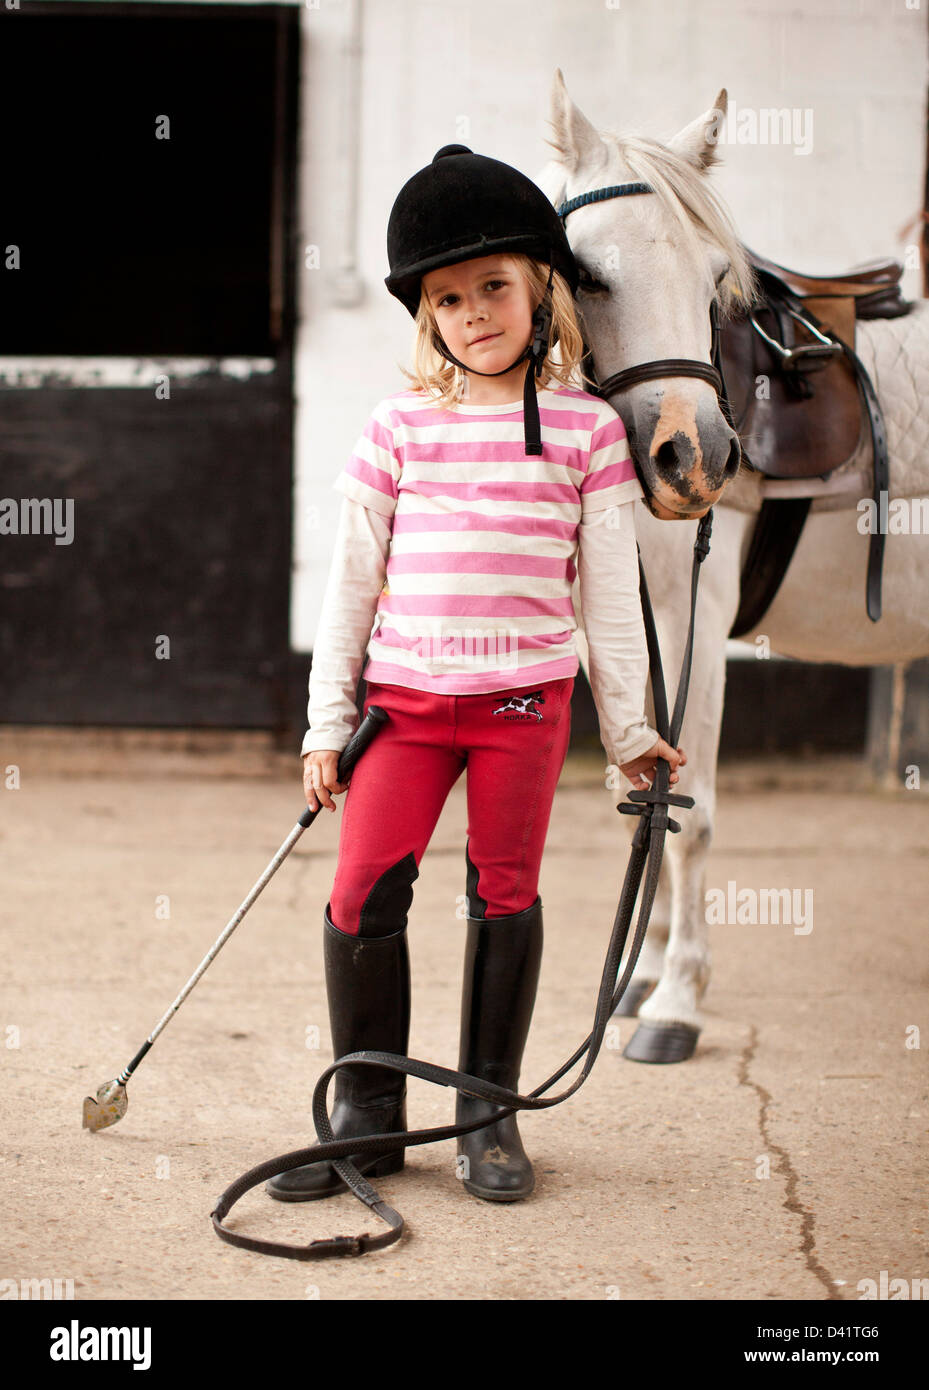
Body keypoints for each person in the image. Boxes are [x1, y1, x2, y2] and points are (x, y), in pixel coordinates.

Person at [266, 145, 685, 1207]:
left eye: (492, 286)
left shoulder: (587, 435)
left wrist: (629, 732)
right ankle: (366, 1112)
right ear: (428, 317)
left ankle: (483, 1109)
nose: (473, 313)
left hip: (521, 709)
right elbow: (349, 587)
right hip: (401, 711)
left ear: (538, 288)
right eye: (448, 299)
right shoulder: (397, 428)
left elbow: (607, 606)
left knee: (503, 891)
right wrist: (326, 725)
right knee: (362, 889)